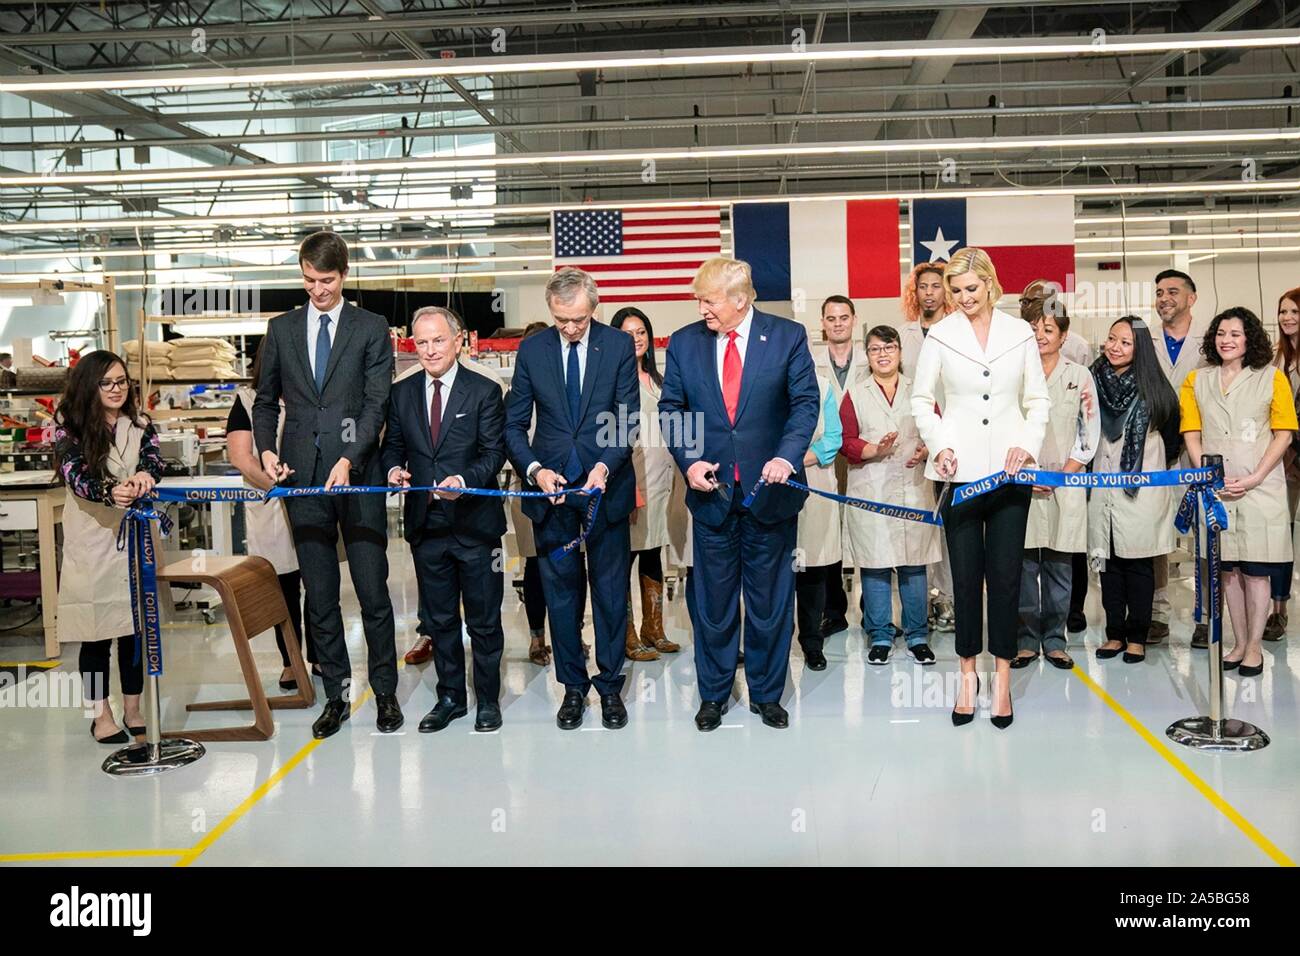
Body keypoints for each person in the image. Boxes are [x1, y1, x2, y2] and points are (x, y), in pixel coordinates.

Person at [252, 231, 401, 740]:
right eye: (309, 280)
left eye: (327, 280)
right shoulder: (282, 329)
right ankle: (335, 694)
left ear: (345, 274)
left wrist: (348, 457)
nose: (318, 290)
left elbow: (377, 404)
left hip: (358, 477)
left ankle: (384, 692)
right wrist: (268, 451)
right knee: (320, 595)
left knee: (372, 591)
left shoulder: (372, 327)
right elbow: (266, 400)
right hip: (301, 478)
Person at [659, 257, 819, 731]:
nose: (701, 308)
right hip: (711, 498)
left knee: (770, 604)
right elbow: (671, 409)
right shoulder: (686, 343)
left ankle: (767, 694)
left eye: (708, 301)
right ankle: (713, 693)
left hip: (769, 496)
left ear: (740, 300)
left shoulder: (787, 337)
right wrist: (689, 461)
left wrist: (787, 456)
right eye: (700, 300)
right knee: (712, 604)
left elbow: (804, 404)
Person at [911, 247, 1050, 730]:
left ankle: (1004, 678)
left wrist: (1026, 448)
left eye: (972, 289)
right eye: (956, 291)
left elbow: (1037, 400)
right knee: (966, 579)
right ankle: (968, 674)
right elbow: (922, 399)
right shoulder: (941, 336)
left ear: (991, 284)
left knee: (1007, 577)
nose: (964, 298)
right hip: (959, 474)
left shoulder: (1020, 334)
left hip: (1010, 477)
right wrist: (940, 446)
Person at [504, 267, 640, 731]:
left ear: (594, 308)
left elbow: (627, 419)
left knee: (609, 594)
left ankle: (609, 686)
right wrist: (535, 470)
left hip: (606, 488)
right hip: (552, 494)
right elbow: (513, 424)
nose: (570, 328)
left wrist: (604, 468)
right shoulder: (533, 350)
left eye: (578, 319)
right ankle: (574, 688)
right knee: (562, 597)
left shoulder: (618, 346)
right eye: (561, 319)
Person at [383, 306, 507, 732]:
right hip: (426, 527)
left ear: (459, 341)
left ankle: (487, 698)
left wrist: (463, 480)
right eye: (422, 342)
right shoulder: (401, 393)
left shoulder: (485, 391)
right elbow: (393, 447)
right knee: (440, 620)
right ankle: (451, 697)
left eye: (438, 340)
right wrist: (393, 470)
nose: (430, 350)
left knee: (485, 619)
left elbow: (494, 454)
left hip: (476, 525)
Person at [1181, 307, 1297, 678]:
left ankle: (1254, 648)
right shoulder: (1197, 379)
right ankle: (1237, 641)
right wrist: (1209, 474)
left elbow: (1284, 432)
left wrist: (1257, 475)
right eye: (1221, 333)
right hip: (1218, 488)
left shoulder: (1271, 378)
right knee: (1227, 570)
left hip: (1260, 487)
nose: (1226, 340)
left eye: (1235, 333)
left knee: (1257, 571)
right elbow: (1191, 432)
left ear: (1250, 339)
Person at [53, 351, 163, 743]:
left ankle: (133, 710)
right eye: (108, 383)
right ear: (90, 385)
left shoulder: (140, 424)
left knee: (134, 630)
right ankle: (100, 715)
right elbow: (75, 474)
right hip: (94, 539)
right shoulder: (69, 426)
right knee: (96, 631)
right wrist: (108, 490)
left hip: (133, 539)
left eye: (122, 382)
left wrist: (146, 475)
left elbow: (154, 459)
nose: (117, 390)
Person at [840, 325, 940, 665]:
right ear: (867, 356)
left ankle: (917, 635)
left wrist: (927, 450)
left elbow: (938, 429)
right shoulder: (855, 393)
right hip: (872, 487)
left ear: (899, 352)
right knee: (875, 565)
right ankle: (880, 635)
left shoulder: (920, 391)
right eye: (875, 350)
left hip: (913, 486)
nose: (883, 355)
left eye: (889, 347)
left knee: (914, 566)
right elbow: (846, 440)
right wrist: (873, 449)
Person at [1088, 316, 1181, 665]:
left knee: (1139, 564)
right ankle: (1115, 634)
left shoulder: (1156, 389)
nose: (1115, 347)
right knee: (1108, 565)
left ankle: (1137, 637)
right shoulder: (1093, 380)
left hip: (1141, 491)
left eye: (1125, 342)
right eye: (1112, 339)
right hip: (1103, 487)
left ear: (1139, 349)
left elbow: (1172, 440)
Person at [226, 345, 318, 691]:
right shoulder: (248, 400)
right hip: (272, 503)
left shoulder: (310, 394)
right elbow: (241, 457)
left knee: (319, 584)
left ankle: (321, 655)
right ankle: (291, 661)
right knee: (285, 586)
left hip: (312, 500)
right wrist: (275, 484)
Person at [1014, 299, 1099, 671]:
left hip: (1066, 483)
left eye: (1049, 330)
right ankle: (1026, 639)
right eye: (1034, 330)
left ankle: (1055, 639)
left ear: (1064, 336)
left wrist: (1064, 472)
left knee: (1060, 567)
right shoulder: (1013, 375)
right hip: (1023, 484)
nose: (1040, 336)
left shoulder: (1079, 376)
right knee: (1024, 566)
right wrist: (1028, 474)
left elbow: (1089, 429)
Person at [611, 306, 679, 659]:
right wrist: (630, 490)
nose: (636, 339)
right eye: (627, 333)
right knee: (624, 560)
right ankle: (628, 634)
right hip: (630, 485)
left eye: (641, 332)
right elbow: (611, 440)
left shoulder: (659, 379)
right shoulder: (611, 381)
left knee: (654, 555)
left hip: (661, 486)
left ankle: (655, 628)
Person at [1150, 269, 1210, 646]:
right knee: (1154, 534)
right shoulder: (1144, 340)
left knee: (1205, 535)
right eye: (1158, 292)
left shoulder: (1211, 342)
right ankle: (1157, 611)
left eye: (1173, 291)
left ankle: (1205, 615)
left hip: (1197, 451)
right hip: (1155, 451)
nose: (1164, 298)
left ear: (1192, 298)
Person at [899, 262, 956, 632]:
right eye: (924, 286)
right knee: (915, 526)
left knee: (949, 527)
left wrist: (938, 442)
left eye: (937, 285)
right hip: (908, 441)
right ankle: (920, 602)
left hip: (949, 441)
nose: (930, 292)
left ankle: (948, 600)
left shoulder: (958, 331)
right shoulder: (902, 335)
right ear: (915, 292)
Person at [817, 294, 867, 637]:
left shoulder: (870, 359)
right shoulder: (809, 361)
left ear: (853, 320)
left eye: (843, 317)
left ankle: (871, 609)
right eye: (831, 318)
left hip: (864, 457)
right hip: (823, 461)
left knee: (866, 533)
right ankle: (832, 610)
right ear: (823, 323)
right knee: (827, 535)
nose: (837, 323)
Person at [793, 371, 843, 670]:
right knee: (781, 573)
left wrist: (791, 460)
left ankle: (812, 643)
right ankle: (777, 643)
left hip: (814, 484)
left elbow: (833, 438)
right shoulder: (765, 378)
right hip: (773, 487)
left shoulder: (822, 386)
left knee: (812, 571)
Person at [1266, 286, 1300, 640]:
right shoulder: (1276, 362)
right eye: (1283, 312)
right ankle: (1279, 609)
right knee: (1282, 537)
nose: (1287, 318)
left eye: (1294, 312)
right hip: (1286, 462)